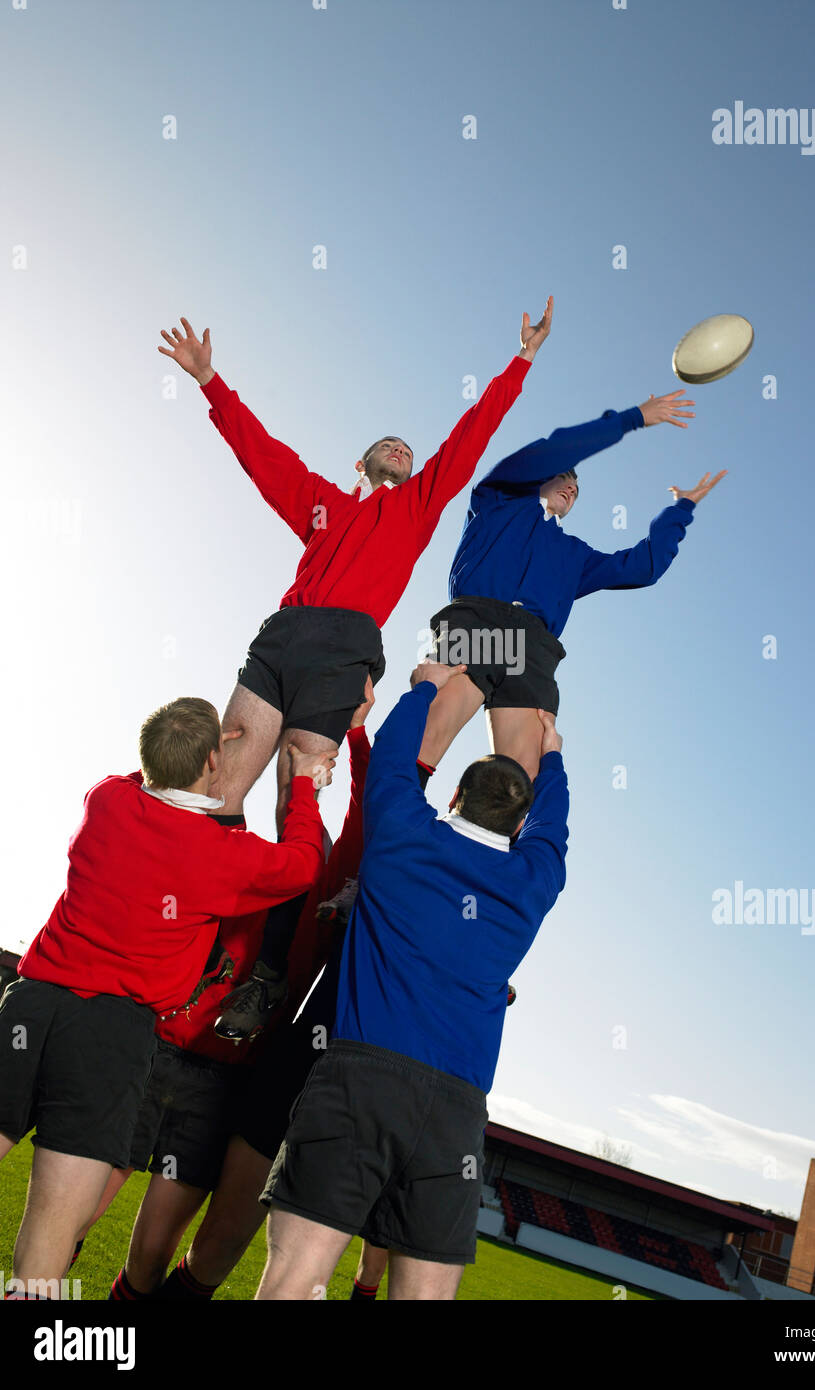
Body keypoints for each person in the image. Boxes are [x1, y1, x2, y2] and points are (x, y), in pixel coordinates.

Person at [157, 300, 553, 1037]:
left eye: (408, 447)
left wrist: (520, 363)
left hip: (346, 649)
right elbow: (261, 453)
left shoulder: (417, 509)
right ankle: (197, 945)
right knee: (216, 792)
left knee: (294, 808)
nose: (403, 449)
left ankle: (264, 979)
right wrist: (211, 382)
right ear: (360, 463)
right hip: (280, 638)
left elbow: (469, 440)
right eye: (389, 445)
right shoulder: (319, 504)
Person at [0, 696, 329, 1298]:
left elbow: (140, 775)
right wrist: (304, 786)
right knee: (51, 1225)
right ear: (213, 763)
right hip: (110, 1033)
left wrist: (188, 749)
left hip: (31, 1003)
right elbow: (302, 865)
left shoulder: (107, 800)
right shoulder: (218, 854)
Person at [256, 660, 569, 1301]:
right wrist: (553, 758)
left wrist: (425, 685)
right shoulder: (533, 882)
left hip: (360, 1080)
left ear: (453, 798)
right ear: (518, 828)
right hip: (455, 1114)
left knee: (294, 1280)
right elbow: (554, 829)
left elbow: (397, 758)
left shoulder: (400, 832)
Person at [77, 684, 374, 1303]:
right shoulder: (229, 851)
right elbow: (165, 795)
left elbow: (363, 820)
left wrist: (355, 734)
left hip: (219, 1084)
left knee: (150, 1255)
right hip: (152, 1045)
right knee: (75, 1210)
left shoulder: (320, 895)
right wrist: (193, 750)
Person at [414, 390, 726, 782]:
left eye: (576, 488)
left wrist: (681, 510)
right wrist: (631, 418)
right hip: (479, 621)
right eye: (563, 477)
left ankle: (485, 835)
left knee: (518, 782)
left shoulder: (575, 555)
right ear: (540, 479)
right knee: (427, 739)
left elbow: (643, 567)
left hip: (534, 644)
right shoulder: (499, 495)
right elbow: (552, 450)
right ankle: (380, 833)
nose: (571, 487)